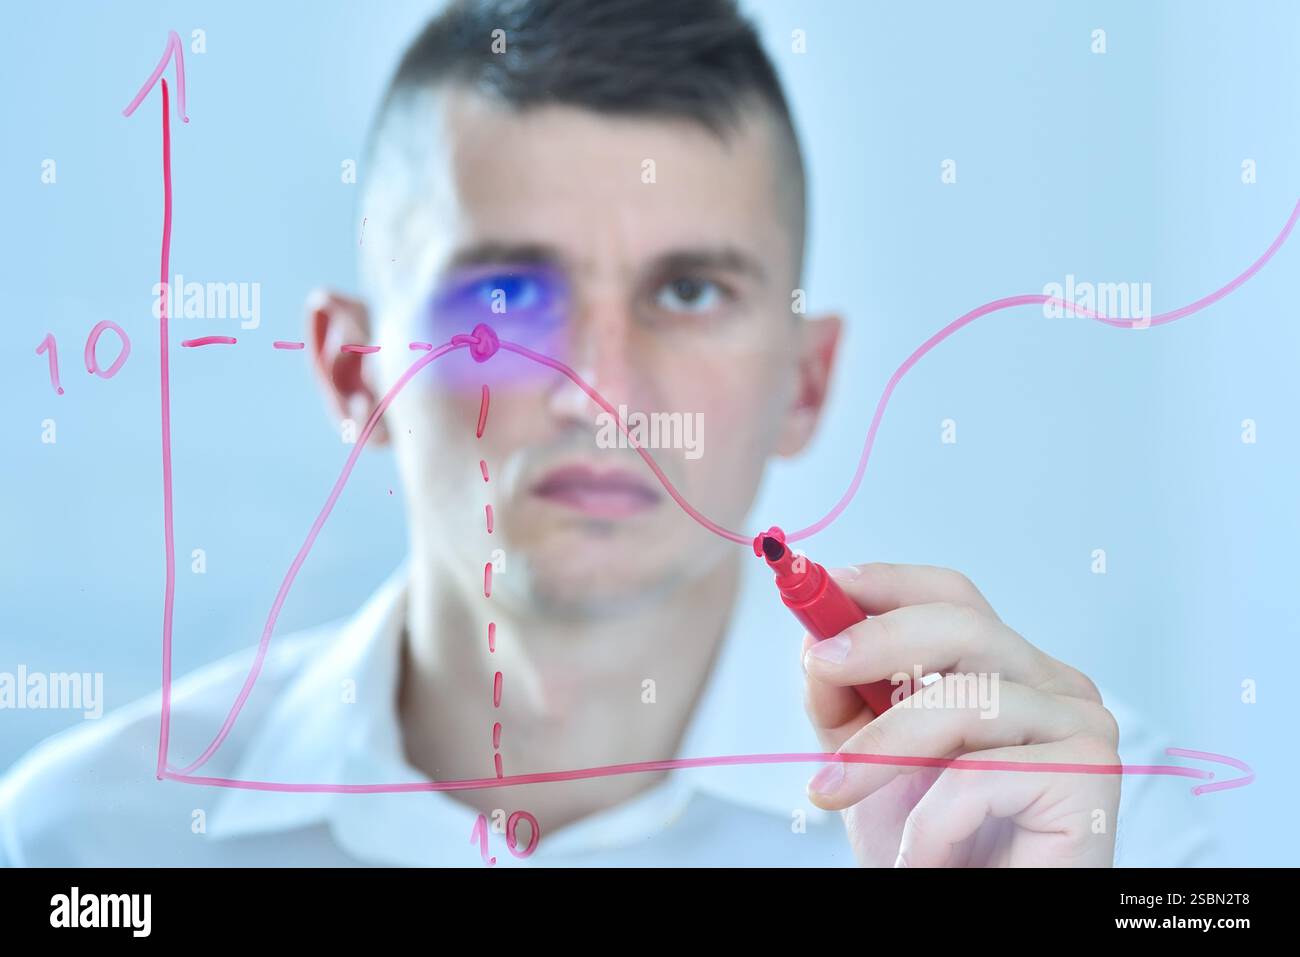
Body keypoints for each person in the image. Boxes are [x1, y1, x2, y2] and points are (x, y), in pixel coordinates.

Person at [0, 0, 1216, 867]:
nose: (602, 394)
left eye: (688, 293)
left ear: (806, 381)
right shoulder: (81, 847)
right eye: (503, 297)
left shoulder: (1083, 825)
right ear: (352, 372)